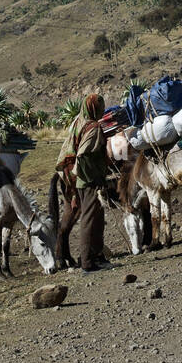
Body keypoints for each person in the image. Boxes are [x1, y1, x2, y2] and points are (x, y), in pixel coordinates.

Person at [63, 94, 112, 272]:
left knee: (98, 219)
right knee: (89, 220)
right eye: (101, 107)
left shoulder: (79, 122)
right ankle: (87, 263)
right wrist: (95, 178)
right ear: (94, 109)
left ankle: (98, 256)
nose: (103, 109)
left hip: (83, 181)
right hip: (89, 181)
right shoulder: (94, 128)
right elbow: (83, 156)